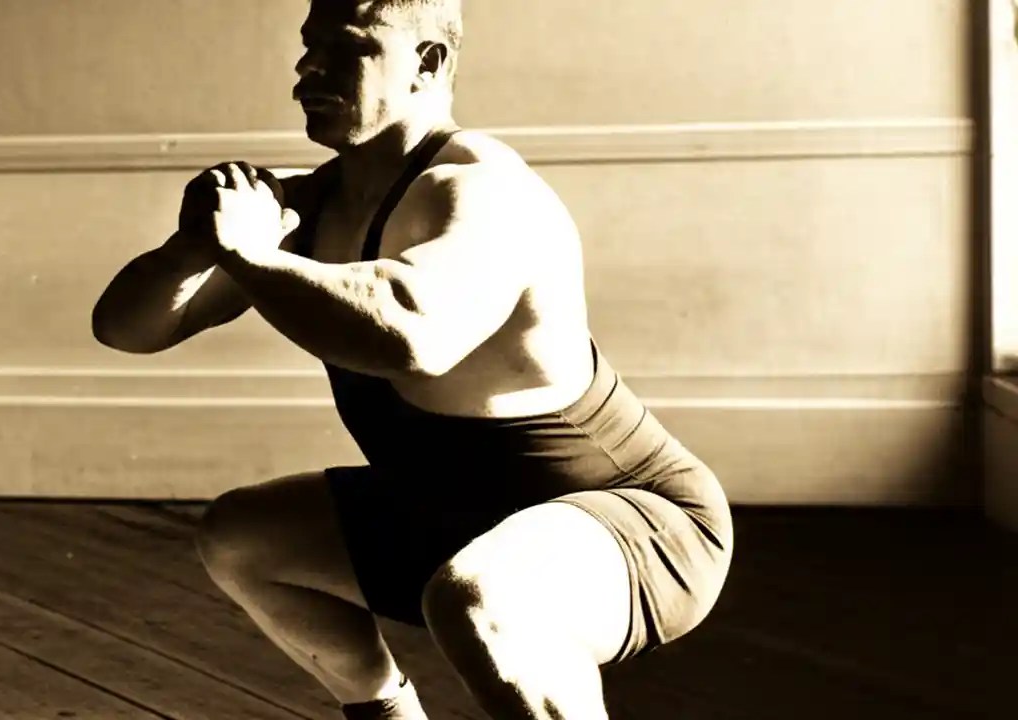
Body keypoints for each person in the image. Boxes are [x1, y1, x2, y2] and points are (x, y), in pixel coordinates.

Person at [91, 1, 733, 717]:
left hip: (633, 523)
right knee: (243, 537)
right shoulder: (306, 205)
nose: (309, 68)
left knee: (483, 600)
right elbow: (127, 330)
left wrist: (247, 252)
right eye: (308, 47)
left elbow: (411, 335)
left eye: (347, 48)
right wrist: (196, 245)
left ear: (429, 63)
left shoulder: (483, 191)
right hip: (456, 512)